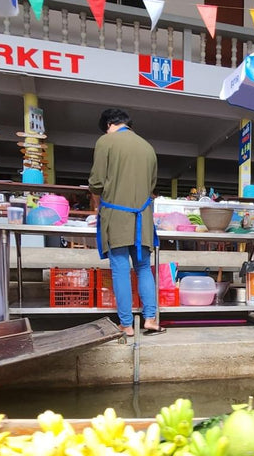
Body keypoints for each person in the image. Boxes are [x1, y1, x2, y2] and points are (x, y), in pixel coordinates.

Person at [89, 108, 162, 339]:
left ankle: (127, 325)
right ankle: (150, 320)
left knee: (120, 268)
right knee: (143, 268)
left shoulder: (106, 141)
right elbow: (151, 187)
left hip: (117, 216)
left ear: (110, 124)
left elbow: (97, 182)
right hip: (143, 218)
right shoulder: (148, 148)